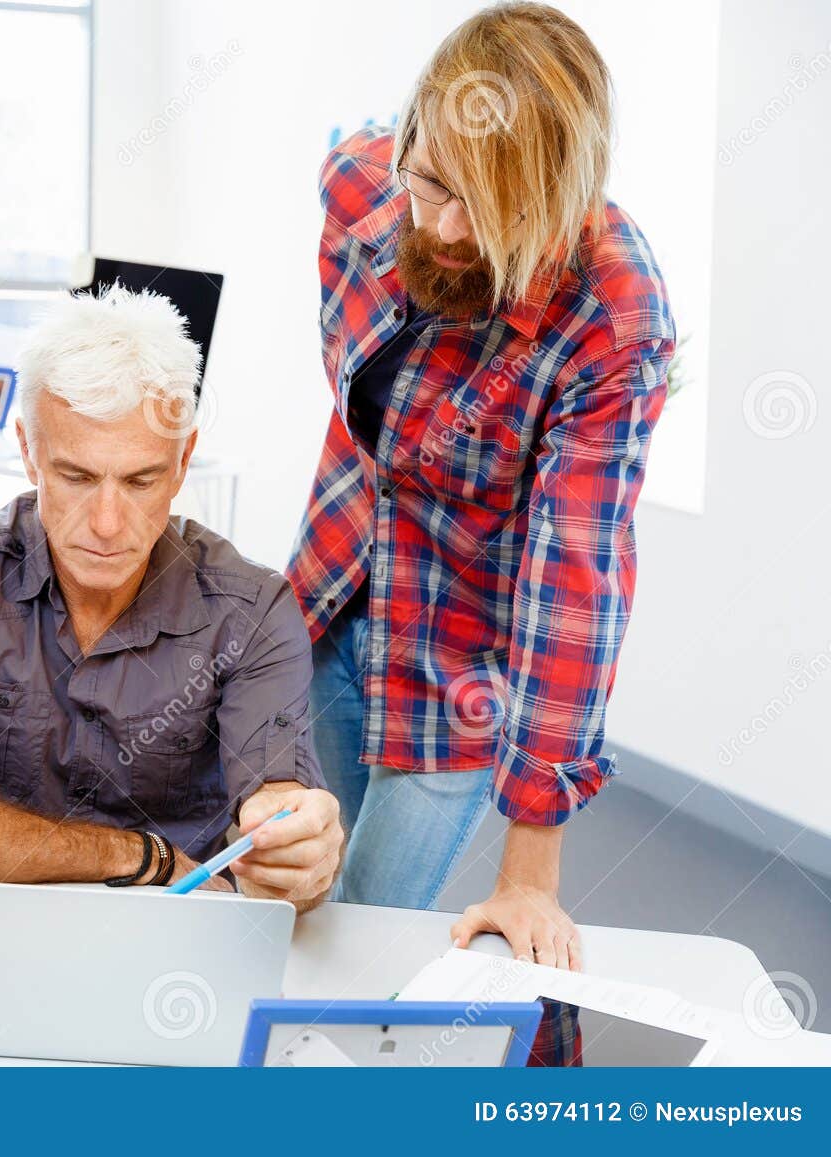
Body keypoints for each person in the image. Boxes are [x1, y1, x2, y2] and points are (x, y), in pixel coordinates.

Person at [287, 2, 673, 968]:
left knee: (363, 935)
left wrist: (530, 876)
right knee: (299, 900)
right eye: (434, 185)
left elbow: (574, 584)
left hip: (461, 665)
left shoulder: (614, 317)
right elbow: (361, 400)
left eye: (492, 210)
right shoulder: (357, 187)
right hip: (330, 594)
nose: (449, 229)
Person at [0, 287, 343, 907]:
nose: (109, 524)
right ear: (28, 452)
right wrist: (140, 857)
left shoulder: (253, 611)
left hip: (178, 946)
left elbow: (281, 826)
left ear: (182, 460)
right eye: (77, 476)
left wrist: (298, 853)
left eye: (140, 480)